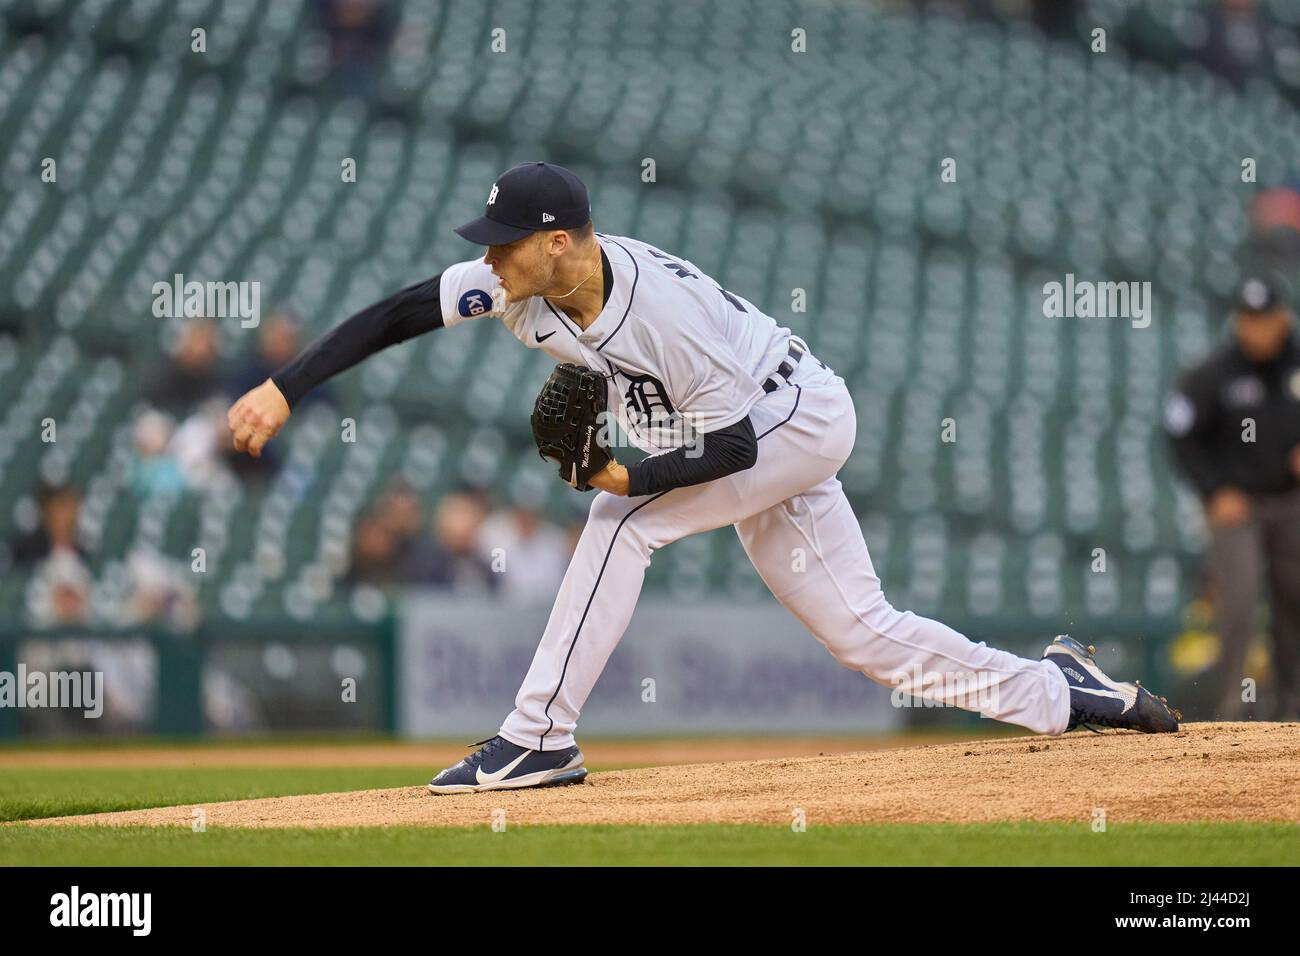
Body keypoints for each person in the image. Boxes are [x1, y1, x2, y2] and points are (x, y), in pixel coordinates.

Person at [228, 162, 1179, 794]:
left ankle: (538, 737)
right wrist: (285, 387)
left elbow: (731, 454)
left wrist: (621, 475)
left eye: (504, 240)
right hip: (737, 426)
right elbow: (396, 314)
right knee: (865, 637)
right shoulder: (519, 288)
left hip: (788, 417)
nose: (487, 257)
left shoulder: (660, 313)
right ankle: (1059, 691)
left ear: (561, 240)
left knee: (621, 526)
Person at [1166, 274, 1300, 720]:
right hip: (1237, 508)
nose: (1256, 328)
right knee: (1239, 600)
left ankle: (1291, 708)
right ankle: (1233, 712)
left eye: (1264, 319)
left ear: (1282, 319)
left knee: (1293, 600)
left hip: (1291, 503)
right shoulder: (1213, 374)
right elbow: (1180, 433)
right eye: (1249, 319)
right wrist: (1213, 489)